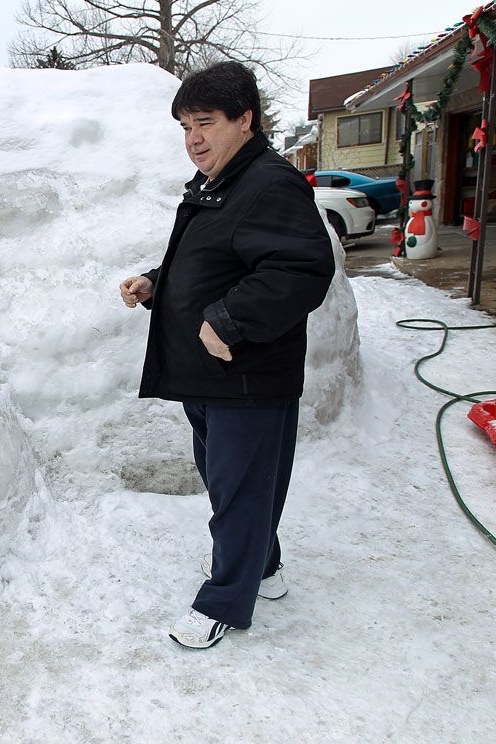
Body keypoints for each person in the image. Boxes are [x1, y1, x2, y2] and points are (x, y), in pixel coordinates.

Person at [119, 62, 334, 649]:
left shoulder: (269, 183)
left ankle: (223, 603)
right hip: (210, 377)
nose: (194, 138)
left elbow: (301, 269)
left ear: (246, 121)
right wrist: (157, 282)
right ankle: (262, 567)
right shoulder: (222, 182)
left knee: (238, 492)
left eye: (206, 123)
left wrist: (233, 321)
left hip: (247, 377)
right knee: (233, 485)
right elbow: (216, 262)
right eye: (186, 125)